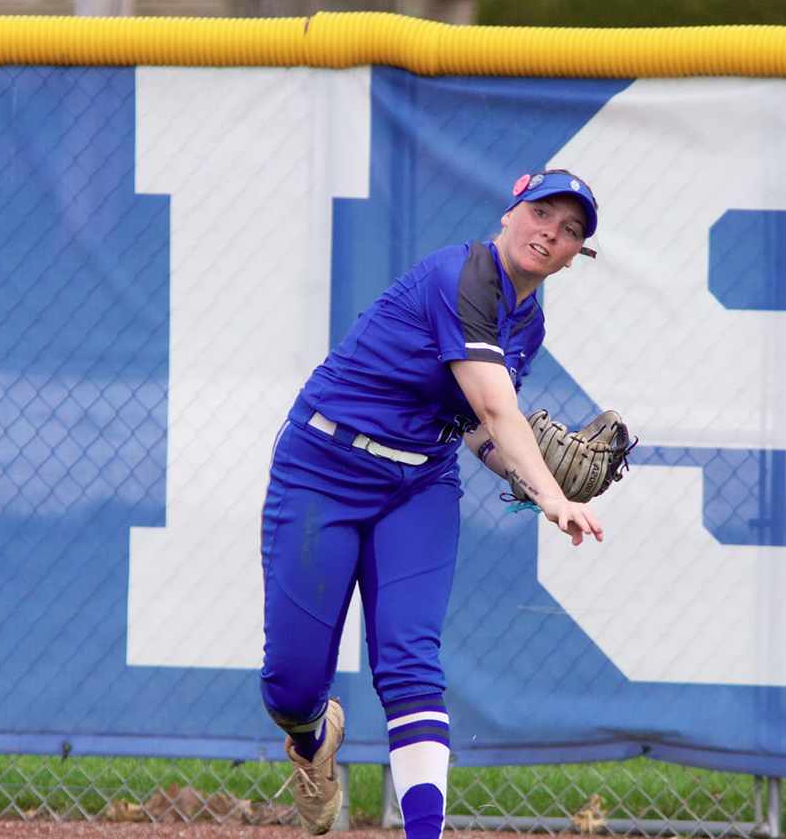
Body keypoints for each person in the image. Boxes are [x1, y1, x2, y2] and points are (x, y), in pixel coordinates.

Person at [259, 169, 609, 838]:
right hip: (324, 468)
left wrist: (524, 471)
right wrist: (550, 492)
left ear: (575, 256)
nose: (551, 233)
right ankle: (311, 740)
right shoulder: (460, 275)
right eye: (542, 213)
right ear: (510, 213)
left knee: (411, 661)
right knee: (293, 685)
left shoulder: (528, 323)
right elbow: (496, 409)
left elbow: (477, 428)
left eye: (570, 230)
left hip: (419, 485)